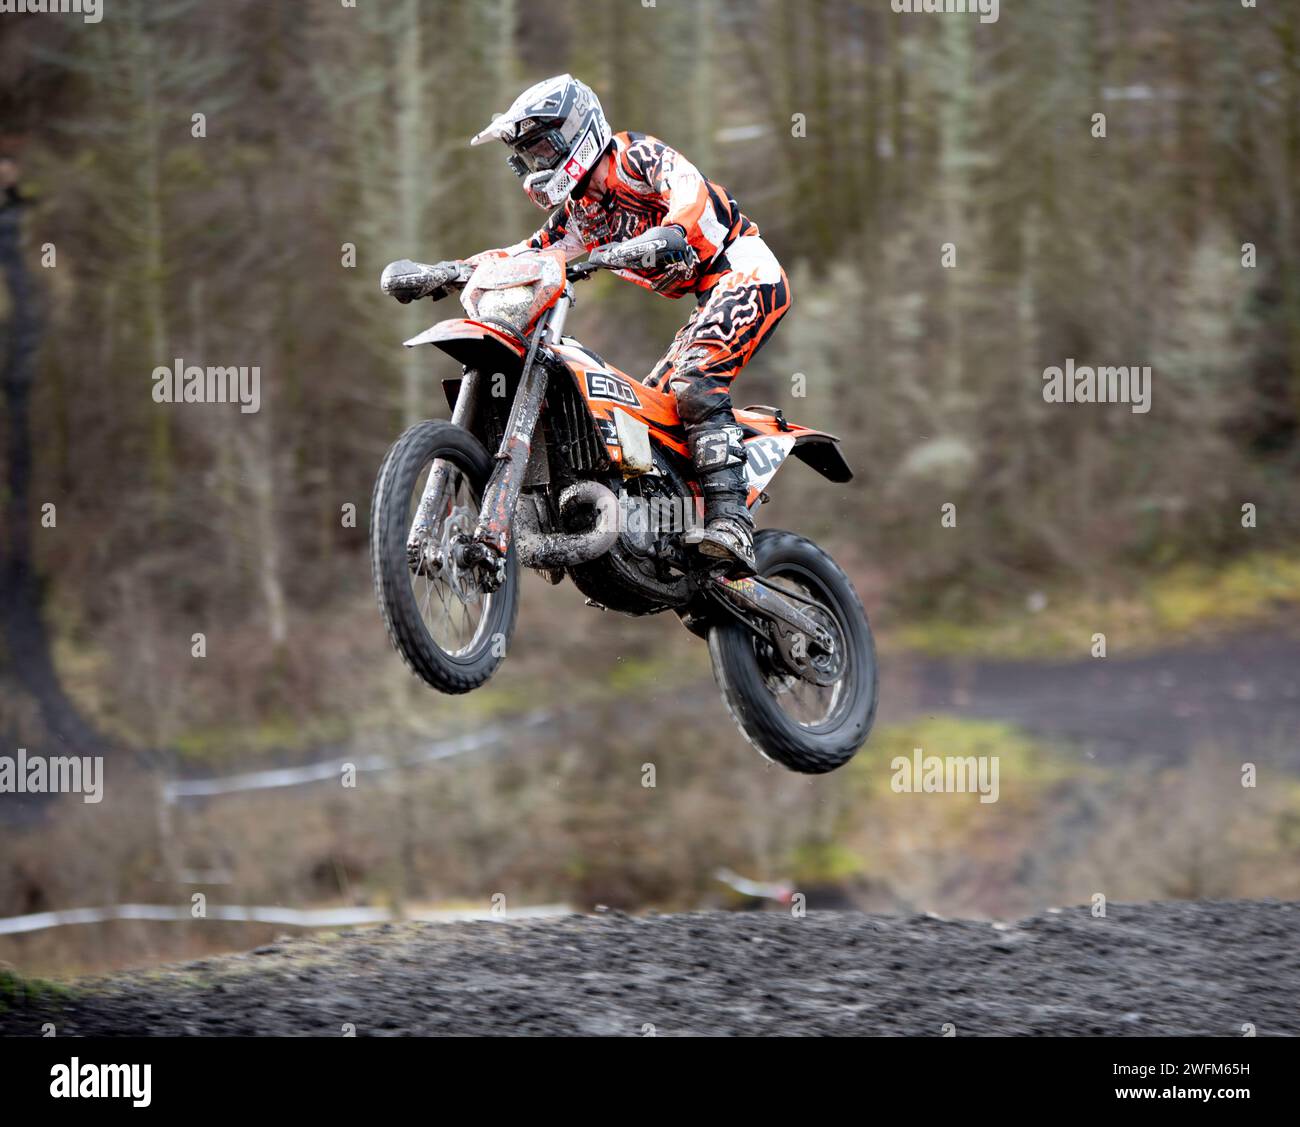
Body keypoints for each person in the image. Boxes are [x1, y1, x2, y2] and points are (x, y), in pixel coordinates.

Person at [465, 74, 791, 574]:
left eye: (542, 149)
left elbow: (689, 191)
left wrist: (674, 231)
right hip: (706, 297)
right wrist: (446, 272)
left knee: (693, 384)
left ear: (577, 132)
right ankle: (666, 533)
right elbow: (524, 255)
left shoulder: (634, 157)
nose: (536, 167)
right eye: (526, 157)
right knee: (646, 420)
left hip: (743, 266)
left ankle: (730, 524)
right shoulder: (580, 216)